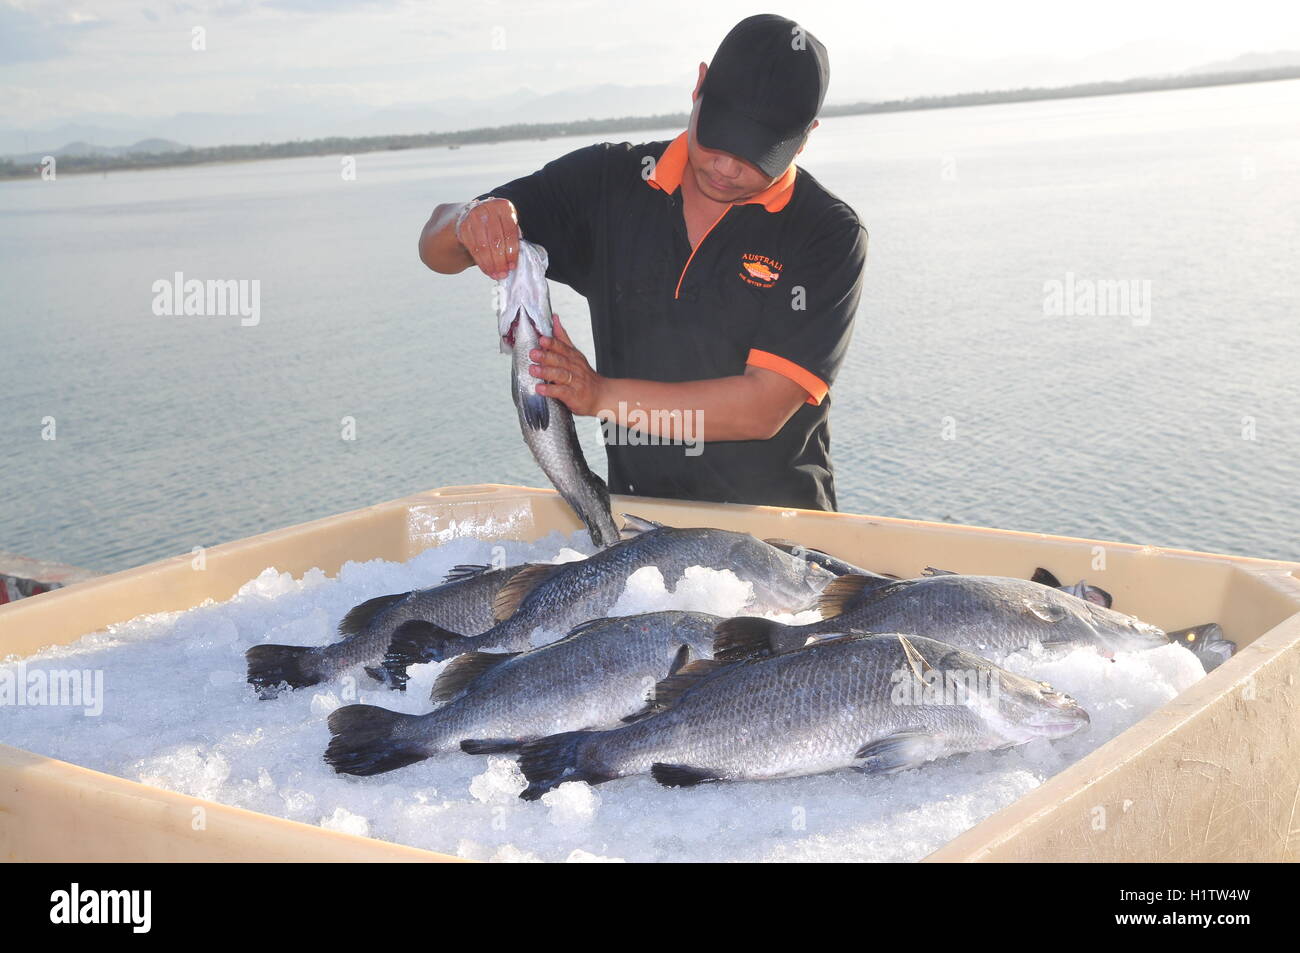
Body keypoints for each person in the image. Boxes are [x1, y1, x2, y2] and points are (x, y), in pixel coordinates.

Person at [419, 14, 867, 510]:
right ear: (698, 86)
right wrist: (470, 221)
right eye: (718, 139)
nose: (726, 167)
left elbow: (761, 409)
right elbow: (436, 249)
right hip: (638, 527)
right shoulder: (609, 182)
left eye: (756, 155)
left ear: (805, 138)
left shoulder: (828, 233)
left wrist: (600, 395)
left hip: (781, 534)